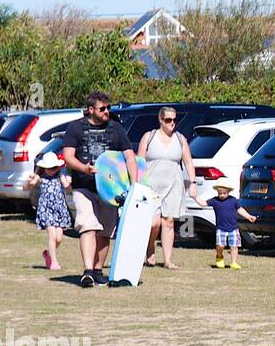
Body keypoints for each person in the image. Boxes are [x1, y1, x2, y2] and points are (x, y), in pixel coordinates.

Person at [61, 91, 138, 288]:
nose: (106, 112)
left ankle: (98, 271)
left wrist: (134, 184)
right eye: (102, 108)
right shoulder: (76, 128)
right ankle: (87, 272)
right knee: (87, 226)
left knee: (105, 231)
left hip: (110, 189)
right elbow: (68, 156)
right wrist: (83, 168)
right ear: (90, 109)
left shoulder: (116, 128)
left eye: (108, 108)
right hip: (83, 186)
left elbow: (130, 156)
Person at [138, 106, 198, 269]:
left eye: (174, 120)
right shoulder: (149, 137)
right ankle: (150, 247)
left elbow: (188, 162)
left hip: (173, 184)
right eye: (168, 120)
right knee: (153, 223)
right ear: (161, 120)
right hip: (151, 185)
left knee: (169, 221)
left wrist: (192, 183)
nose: (172, 123)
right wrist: (138, 184)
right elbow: (139, 162)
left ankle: (167, 260)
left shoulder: (180, 139)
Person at [26, 151, 71, 271]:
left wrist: (69, 183)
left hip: (59, 208)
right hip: (46, 209)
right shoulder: (40, 177)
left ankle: (48, 253)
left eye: (54, 167)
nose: (52, 170)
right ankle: (54, 262)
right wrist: (29, 181)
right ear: (44, 168)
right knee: (52, 235)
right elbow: (27, 187)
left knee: (59, 238)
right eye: (49, 168)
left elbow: (67, 188)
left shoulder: (60, 175)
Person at [207, 179, 255, 269]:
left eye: (224, 193)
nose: (222, 195)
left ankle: (234, 262)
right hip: (221, 228)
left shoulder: (233, 200)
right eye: (220, 193)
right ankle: (219, 256)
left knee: (234, 246)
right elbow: (203, 203)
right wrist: (195, 197)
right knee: (220, 245)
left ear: (228, 191)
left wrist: (248, 216)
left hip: (233, 228)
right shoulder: (215, 201)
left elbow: (240, 209)